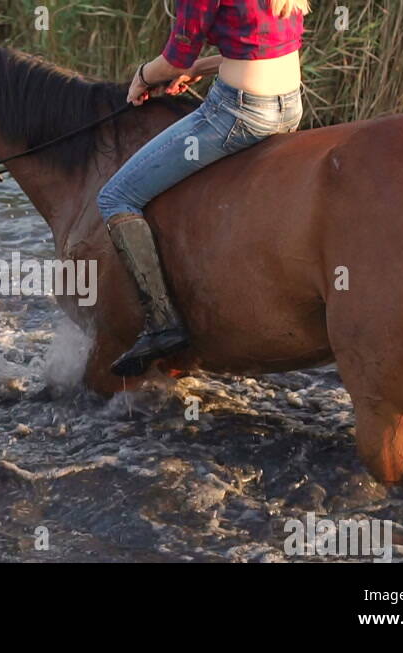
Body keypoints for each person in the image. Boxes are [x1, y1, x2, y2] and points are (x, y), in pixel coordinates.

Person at [97, 0, 309, 377]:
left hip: (238, 111)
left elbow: (173, 61)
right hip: (289, 105)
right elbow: (270, 47)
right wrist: (202, 68)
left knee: (116, 197)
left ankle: (162, 324)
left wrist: (144, 76)